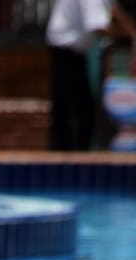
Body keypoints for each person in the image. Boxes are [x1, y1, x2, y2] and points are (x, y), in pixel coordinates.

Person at [46, 0, 136, 150]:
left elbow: (114, 9)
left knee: (71, 110)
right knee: (77, 112)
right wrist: (128, 35)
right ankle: (71, 158)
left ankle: (66, 153)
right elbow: (99, 27)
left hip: (69, 49)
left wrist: (132, 31)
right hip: (67, 50)